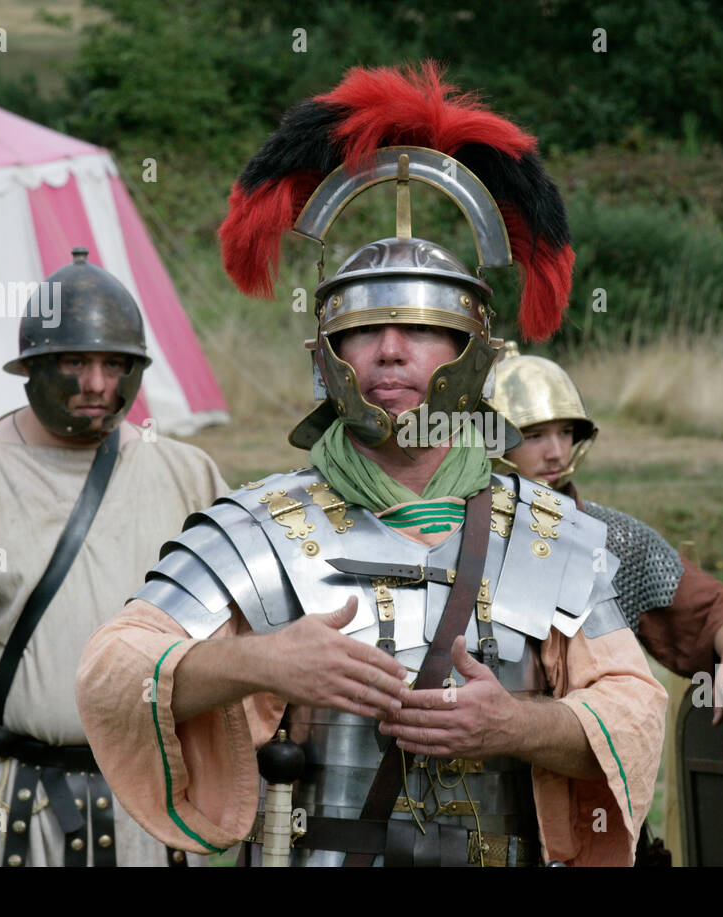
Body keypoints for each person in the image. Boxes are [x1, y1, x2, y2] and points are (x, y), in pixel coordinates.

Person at [75, 65, 667, 867]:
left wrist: (518, 725)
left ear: (470, 354)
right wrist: (255, 662)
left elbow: (633, 708)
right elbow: (112, 672)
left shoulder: (550, 532)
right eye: (365, 330)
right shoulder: (254, 529)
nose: (390, 351)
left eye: (419, 330)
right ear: (326, 357)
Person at [0, 249, 227, 866]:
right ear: (32, 368)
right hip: (13, 808)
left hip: (149, 804)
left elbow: (237, 640)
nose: (95, 384)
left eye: (114, 365)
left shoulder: (186, 473)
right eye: (74, 362)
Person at [491, 343, 723, 745]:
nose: (556, 453)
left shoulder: (609, 536)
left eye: (566, 432)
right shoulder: (449, 530)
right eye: (534, 435)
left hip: (576, 764)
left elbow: (718, 611)